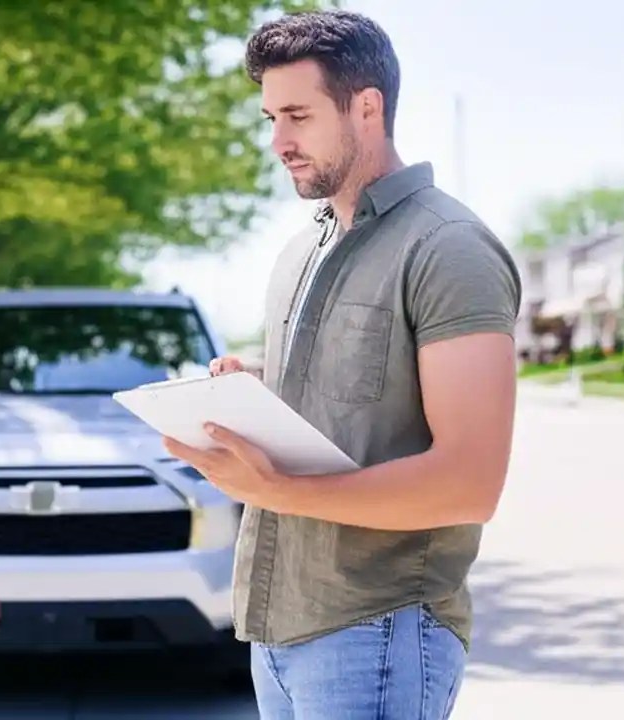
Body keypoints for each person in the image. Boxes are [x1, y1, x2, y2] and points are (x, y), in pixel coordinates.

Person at [162, 9, 522, 719]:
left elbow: (469, 483)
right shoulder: (304, 250)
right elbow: (354, 410)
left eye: (297, 115)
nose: (278, 142)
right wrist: (255, 399)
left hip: (380, 627)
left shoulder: (449, 249)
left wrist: (272, 488)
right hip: (278, 628)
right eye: (270, 117)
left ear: (367, 108)